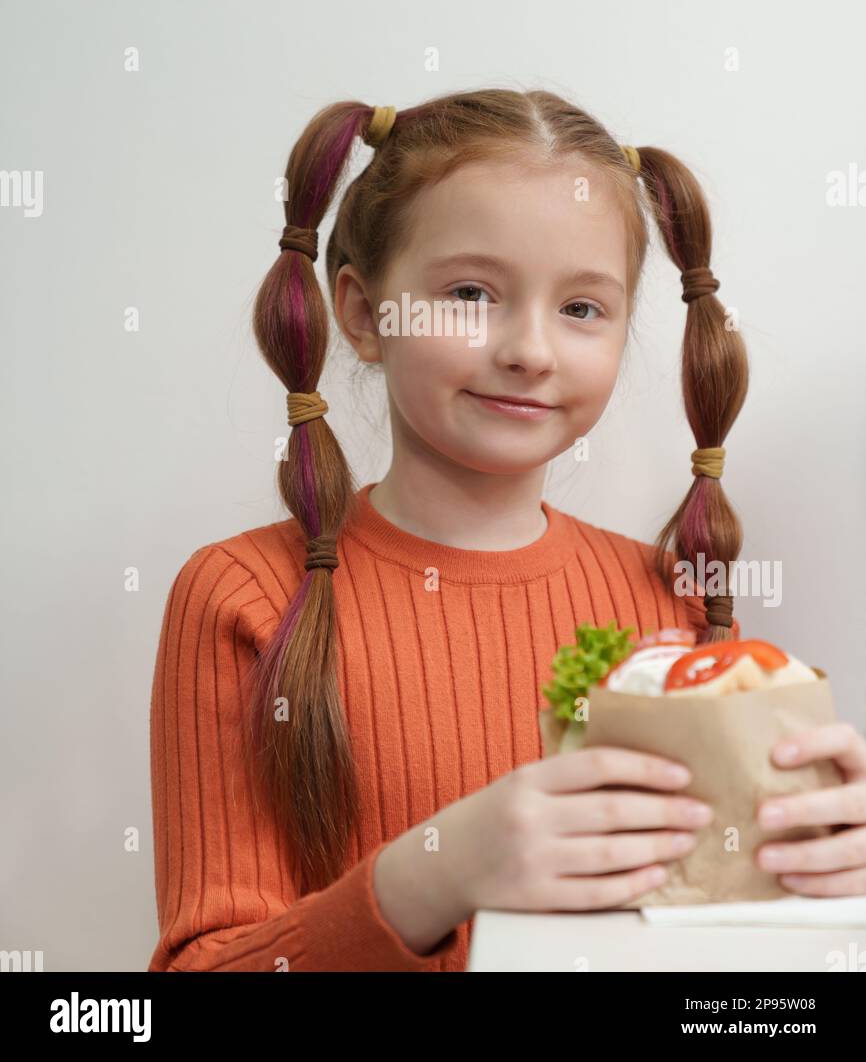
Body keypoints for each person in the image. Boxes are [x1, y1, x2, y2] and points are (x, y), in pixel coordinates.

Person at [147, 90, 866, 972]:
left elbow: (721, 984)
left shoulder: (670, 600)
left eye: (582, 309)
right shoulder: (244, 596)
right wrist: (440, 871)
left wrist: (812, 870)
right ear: (365, 314)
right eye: (471, 292)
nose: (531, 349)